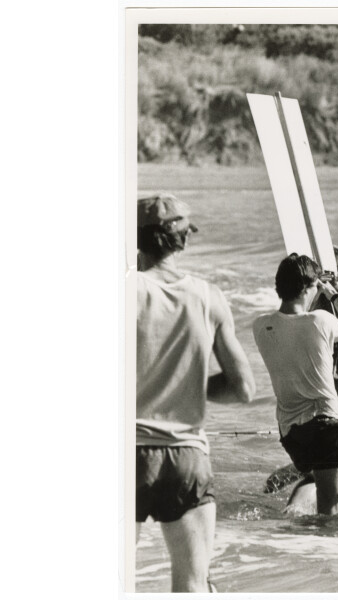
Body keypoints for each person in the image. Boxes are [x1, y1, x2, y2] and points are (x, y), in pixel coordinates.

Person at [136, 193, 255, 592]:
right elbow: (244, 389)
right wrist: (183, 385)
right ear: (183, 241)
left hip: (125, 454)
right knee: (192, 585)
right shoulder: (209, 298)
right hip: (187, 458)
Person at [263, 246, 338, 496]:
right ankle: (291, 476)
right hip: (331, 388)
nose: (337, 274)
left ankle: (336, 492)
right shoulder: (315, 310)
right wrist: (329, 300)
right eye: (331, 269)